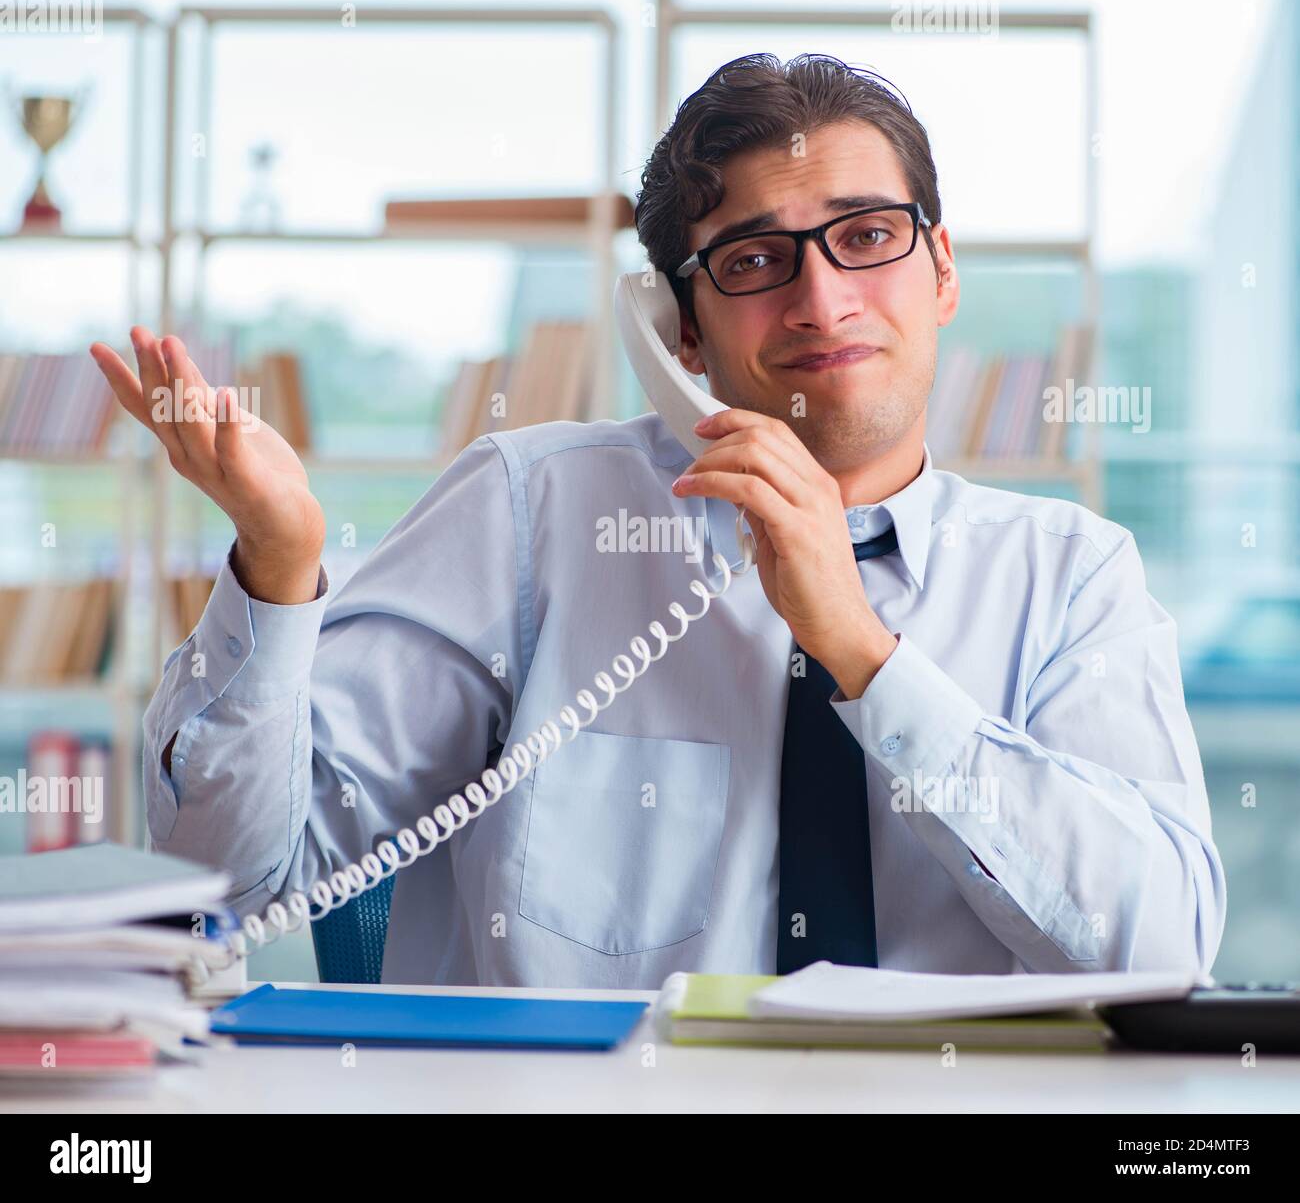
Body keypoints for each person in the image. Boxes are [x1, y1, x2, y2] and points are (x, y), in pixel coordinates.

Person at [90, 53, 1225, 988]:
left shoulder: (1073, 575)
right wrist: (280, 571)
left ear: (940, 270)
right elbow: (226, 887)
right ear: (677, 335)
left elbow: (1161, 946)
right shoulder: (531, 513)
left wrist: (868, 659)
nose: (822, 297)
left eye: (866, 235)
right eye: (754, 259)